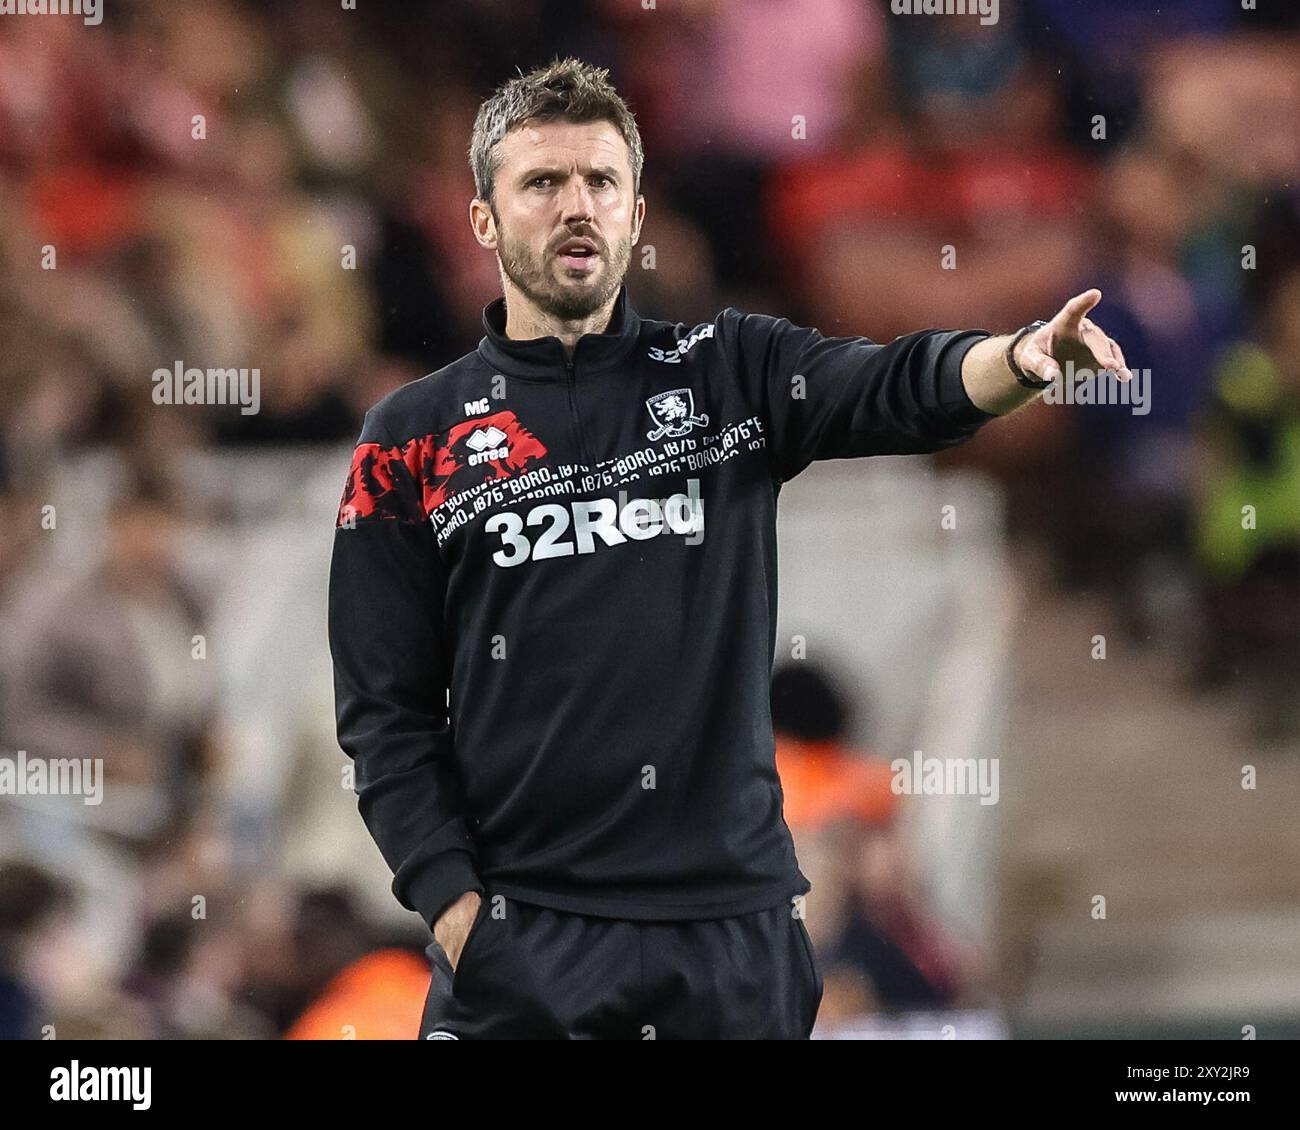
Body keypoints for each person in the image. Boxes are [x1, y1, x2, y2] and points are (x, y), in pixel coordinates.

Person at [326, 57, 1130, 1040]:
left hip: (728, 947)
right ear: (484, 218)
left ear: (634, 211)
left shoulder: (727, 373)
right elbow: (383, 716)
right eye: (543, 182)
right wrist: (456, 910)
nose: (577, 206)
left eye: (601, 182)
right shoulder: (409, 435)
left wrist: (1011, 360)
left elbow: (889, 384)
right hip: (523, 943)